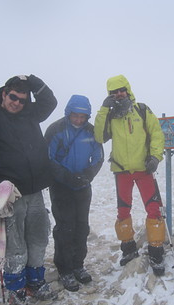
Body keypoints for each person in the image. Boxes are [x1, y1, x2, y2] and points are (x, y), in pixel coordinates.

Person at [0, 75, 58, 305]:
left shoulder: (30, 113)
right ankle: (16, 289)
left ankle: (35, 281)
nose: (17, 103)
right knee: (15, 246)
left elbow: (49, 102)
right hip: (8, 195)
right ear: (4, 94)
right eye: (13, 97)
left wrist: (35, 81)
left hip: (35, 189)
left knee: (38, 238)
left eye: (22, 99)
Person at [94, 75, 166, 276]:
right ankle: (128, 248)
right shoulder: (109, 115)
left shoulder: (141, 110)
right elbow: (99, 136)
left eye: (121, 90)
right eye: (113, 92)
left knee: (154, 210)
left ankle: (156, 251)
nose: (118, 94)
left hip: (144, 169)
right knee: (123, 212)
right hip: (121, 171)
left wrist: (155, 157)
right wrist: (103, 109)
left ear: (127, 90)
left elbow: (156, 134)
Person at [44, 95, 103, 292]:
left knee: (82, 226)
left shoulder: (91, 130)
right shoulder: (56, 129)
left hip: (83, 186)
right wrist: (67, 177)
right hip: (61, 186)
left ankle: (78, 264)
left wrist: (87, 175)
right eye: (75, 116)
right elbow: (48, 158)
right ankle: (64, 268)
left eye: (82, 116)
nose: (78, 120)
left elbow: (98, 156)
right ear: (68, 113)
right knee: (65, 227)